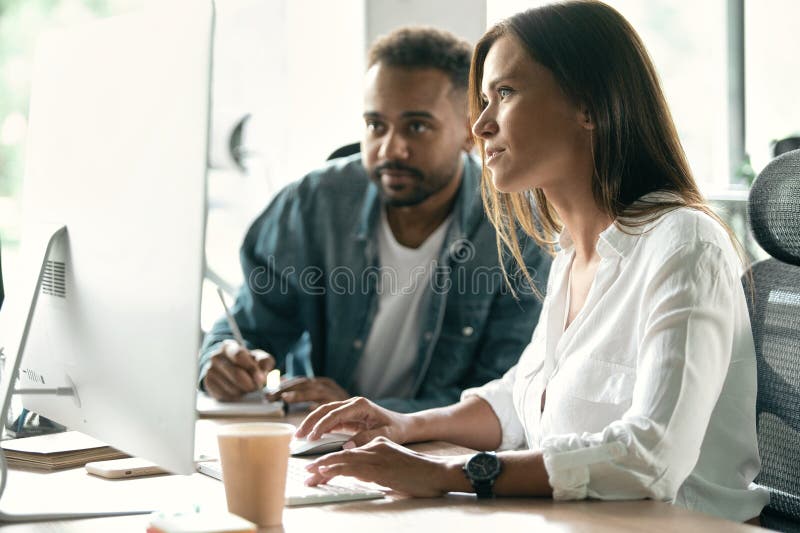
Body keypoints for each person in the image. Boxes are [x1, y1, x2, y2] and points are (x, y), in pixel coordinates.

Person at [295, 1, 770, 523]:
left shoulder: (683, 244)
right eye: (482, 100)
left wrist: (446, 475)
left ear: (588, 105)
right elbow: (519, 403)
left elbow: (648, 456)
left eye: (505, 93)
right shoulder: (570, 253)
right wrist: (405, 426)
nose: (479, 125)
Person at [198, 27, 550, 413]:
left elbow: (505, 397)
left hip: (435, 455)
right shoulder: (313, 202)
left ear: (470, 132)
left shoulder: (517, 230)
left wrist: (366, 410)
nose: (390, 148)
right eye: (375, 125)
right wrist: (223, 359)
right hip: (308, 440)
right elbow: (250, 326)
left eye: (417, 127)